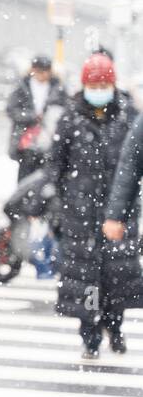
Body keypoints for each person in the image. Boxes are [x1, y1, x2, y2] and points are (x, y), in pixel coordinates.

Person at [46, 53, 142, 359]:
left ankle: (114, 328)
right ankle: (90, 336)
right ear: (84, 84)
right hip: (80, 215)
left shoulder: (128, 116)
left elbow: (133, 166)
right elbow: (55, 166)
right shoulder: (71, 118)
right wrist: (61, 204)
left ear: (113, 83)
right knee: (85, 281)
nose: (99, 88)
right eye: (93, 83)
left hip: (118, 214)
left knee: (117, 278)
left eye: (104, 83)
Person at [6, 55, 66, 180]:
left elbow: (66, 110)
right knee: (25, 177)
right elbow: (12, 110)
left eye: (44, 71)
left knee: (47, 177)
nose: (41, 75)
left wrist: (51, 119)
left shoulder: (58, 88)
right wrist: (32, 117)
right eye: (38, 71)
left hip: (49, 139)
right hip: (26, 141)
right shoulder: (22, 87)